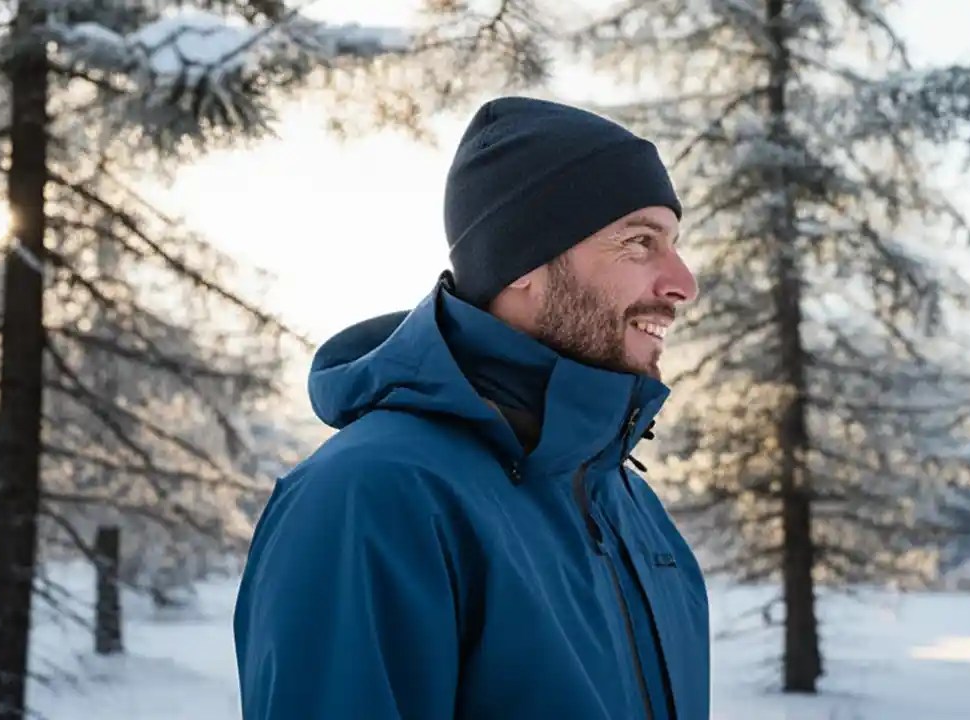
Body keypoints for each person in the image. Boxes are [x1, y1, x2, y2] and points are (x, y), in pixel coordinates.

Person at [233, 96, 710, 720]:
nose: (683, 283)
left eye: (674, 243)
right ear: (522, 263)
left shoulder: (629, 507)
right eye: (639, 242)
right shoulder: (372, 497)